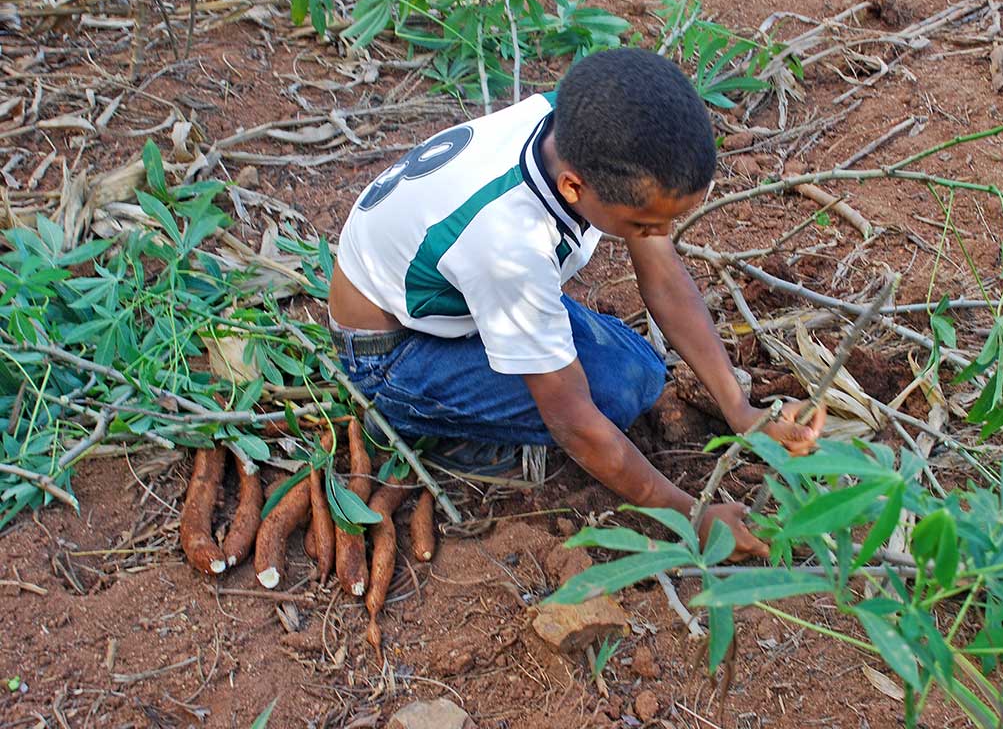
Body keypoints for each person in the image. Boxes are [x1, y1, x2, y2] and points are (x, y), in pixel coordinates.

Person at [328, 47, 826, 559]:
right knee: (610, 398)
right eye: (645, 224)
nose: (660, 236)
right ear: (573, 187)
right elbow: (575, 422)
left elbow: (665, 278)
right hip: (395, 352)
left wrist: (742, 411)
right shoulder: (509, 247)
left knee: (640, 371)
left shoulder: (582, 127)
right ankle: (434, 424)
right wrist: (694, 518)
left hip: (453, 303)